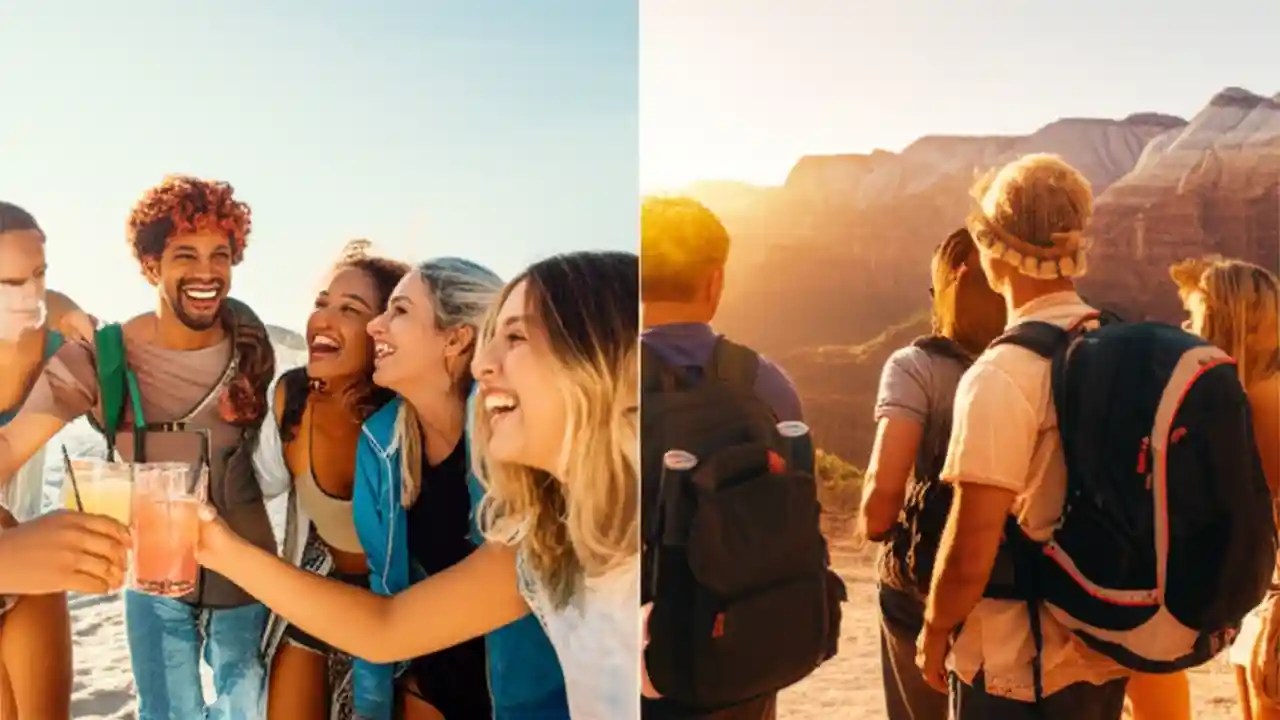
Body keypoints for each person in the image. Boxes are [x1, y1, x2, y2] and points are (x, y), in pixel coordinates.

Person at [195, 251, 639, 719]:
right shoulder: (539, 540)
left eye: (515, 336)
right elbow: (388, 624)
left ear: (596, 360)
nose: (484, 364)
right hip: (432, 676)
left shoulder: (641, 539)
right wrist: (215, 544)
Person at [0, 175, 278, 720]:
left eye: (220, 254)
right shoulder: (103, 359)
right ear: (151, 266)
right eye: (185, 254)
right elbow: (10, 443)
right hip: (156, 584)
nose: (206, 271)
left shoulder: (255, 348)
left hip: (248, 580)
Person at [917, 154, 1129, 719]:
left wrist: (936, 629)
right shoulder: (1116, 343)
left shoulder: (1001, 372)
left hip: (1016, 663)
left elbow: (972, 546)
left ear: (991, 250)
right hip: (1104, 644)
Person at [351, 256, 570, 719]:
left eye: (400, 311)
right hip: (428, 690)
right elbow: (382, 588)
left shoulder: (520, 445)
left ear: (455, 338)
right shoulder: (379, 443)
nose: (375, 325)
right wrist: (372, 709)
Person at [639, 195, 803, 720]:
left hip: (632, 652)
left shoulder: (600, 384)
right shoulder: (766, 385)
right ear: (715, 282)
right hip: (738, 649)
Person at [251, 241, 408, 718]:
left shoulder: (407, 415)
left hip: (403, 603)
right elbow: (261, 486)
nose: (323, 318)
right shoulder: (293, 399)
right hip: (321, 582)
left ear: (382, 330)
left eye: (349, 309)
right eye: (321, 303)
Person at [860, 227, 1005, 720]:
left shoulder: (915, 366)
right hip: (1017, 579)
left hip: (924, 582)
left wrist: (877, 528)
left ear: (941, 292)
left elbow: (884, 491)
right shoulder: (1042, 359)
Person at [1166, 256, 1279, 720]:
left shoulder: (1264, 398)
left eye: (1196, 316)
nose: (1187, 327)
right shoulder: (1250, 393)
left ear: (1229, 320)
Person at [1, 200, 100, 522]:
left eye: (39, 274)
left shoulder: (57, 340)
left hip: (24, 523)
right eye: (12, 284)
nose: (31, 295)